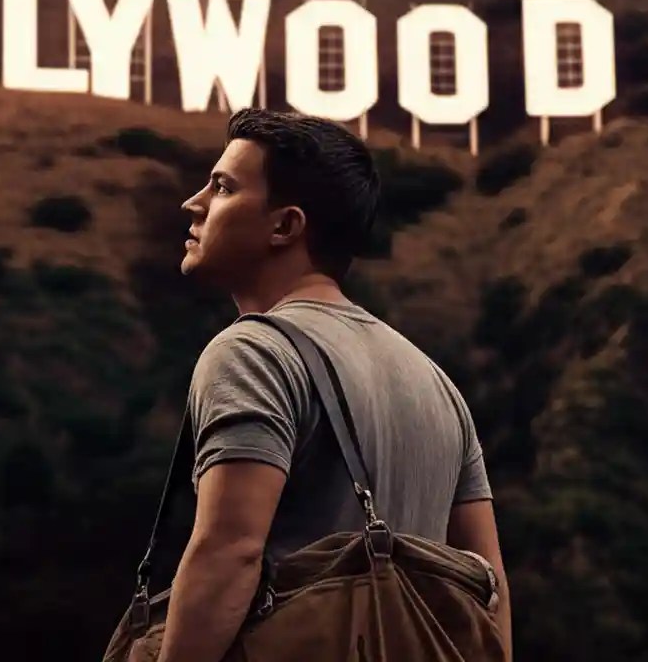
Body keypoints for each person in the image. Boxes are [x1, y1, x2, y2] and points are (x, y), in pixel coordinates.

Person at [155, 108, 512, 662]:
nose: (193, 203)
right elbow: (489, 590)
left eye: (222, 187)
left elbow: (230, 553)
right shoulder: (435, 383)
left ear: (284, 226)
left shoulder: (253, 354)